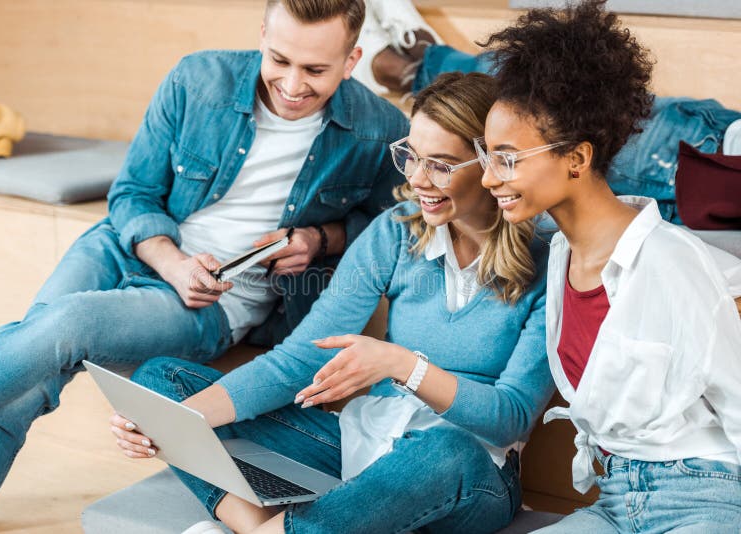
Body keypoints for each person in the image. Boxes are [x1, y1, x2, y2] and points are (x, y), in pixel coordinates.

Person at [0, 1, 409, 531]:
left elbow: (389, 231)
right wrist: (173, 262)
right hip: (130, 248)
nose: (293, 84)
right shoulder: (198, 80)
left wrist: (319, 239)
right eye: (279, 60)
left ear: (351, 61)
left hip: (215, 301)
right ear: (262, 35)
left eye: (316, 70)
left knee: (64, 327)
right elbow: (132, 193)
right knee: (29, 378)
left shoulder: (380, 131)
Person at [111, 72, 556, 534]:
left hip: (470, 475)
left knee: (447, 448)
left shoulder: (549, 256)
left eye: (441, 165)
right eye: (411, 156)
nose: (417, 179)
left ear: (491, 164)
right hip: (361, 448)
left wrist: (404, 366)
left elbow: (509, 418)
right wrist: (177, 421)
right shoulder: (397, 231)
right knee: (160, 384)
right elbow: (301, 358)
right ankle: (255, 527)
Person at [467, 1, 741, 531]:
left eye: (508, 158)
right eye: (487, 155)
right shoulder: (561, 255)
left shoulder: (671, 260)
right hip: (614, 498)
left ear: (577, 158)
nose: (488, 177)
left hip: (702, 496)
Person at [354, 0, 741, 225]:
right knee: (541, 94)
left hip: (700, 208)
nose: (489, 178)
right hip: (707, 155)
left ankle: (414, 62)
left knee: (538, 119)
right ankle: (412, 63)